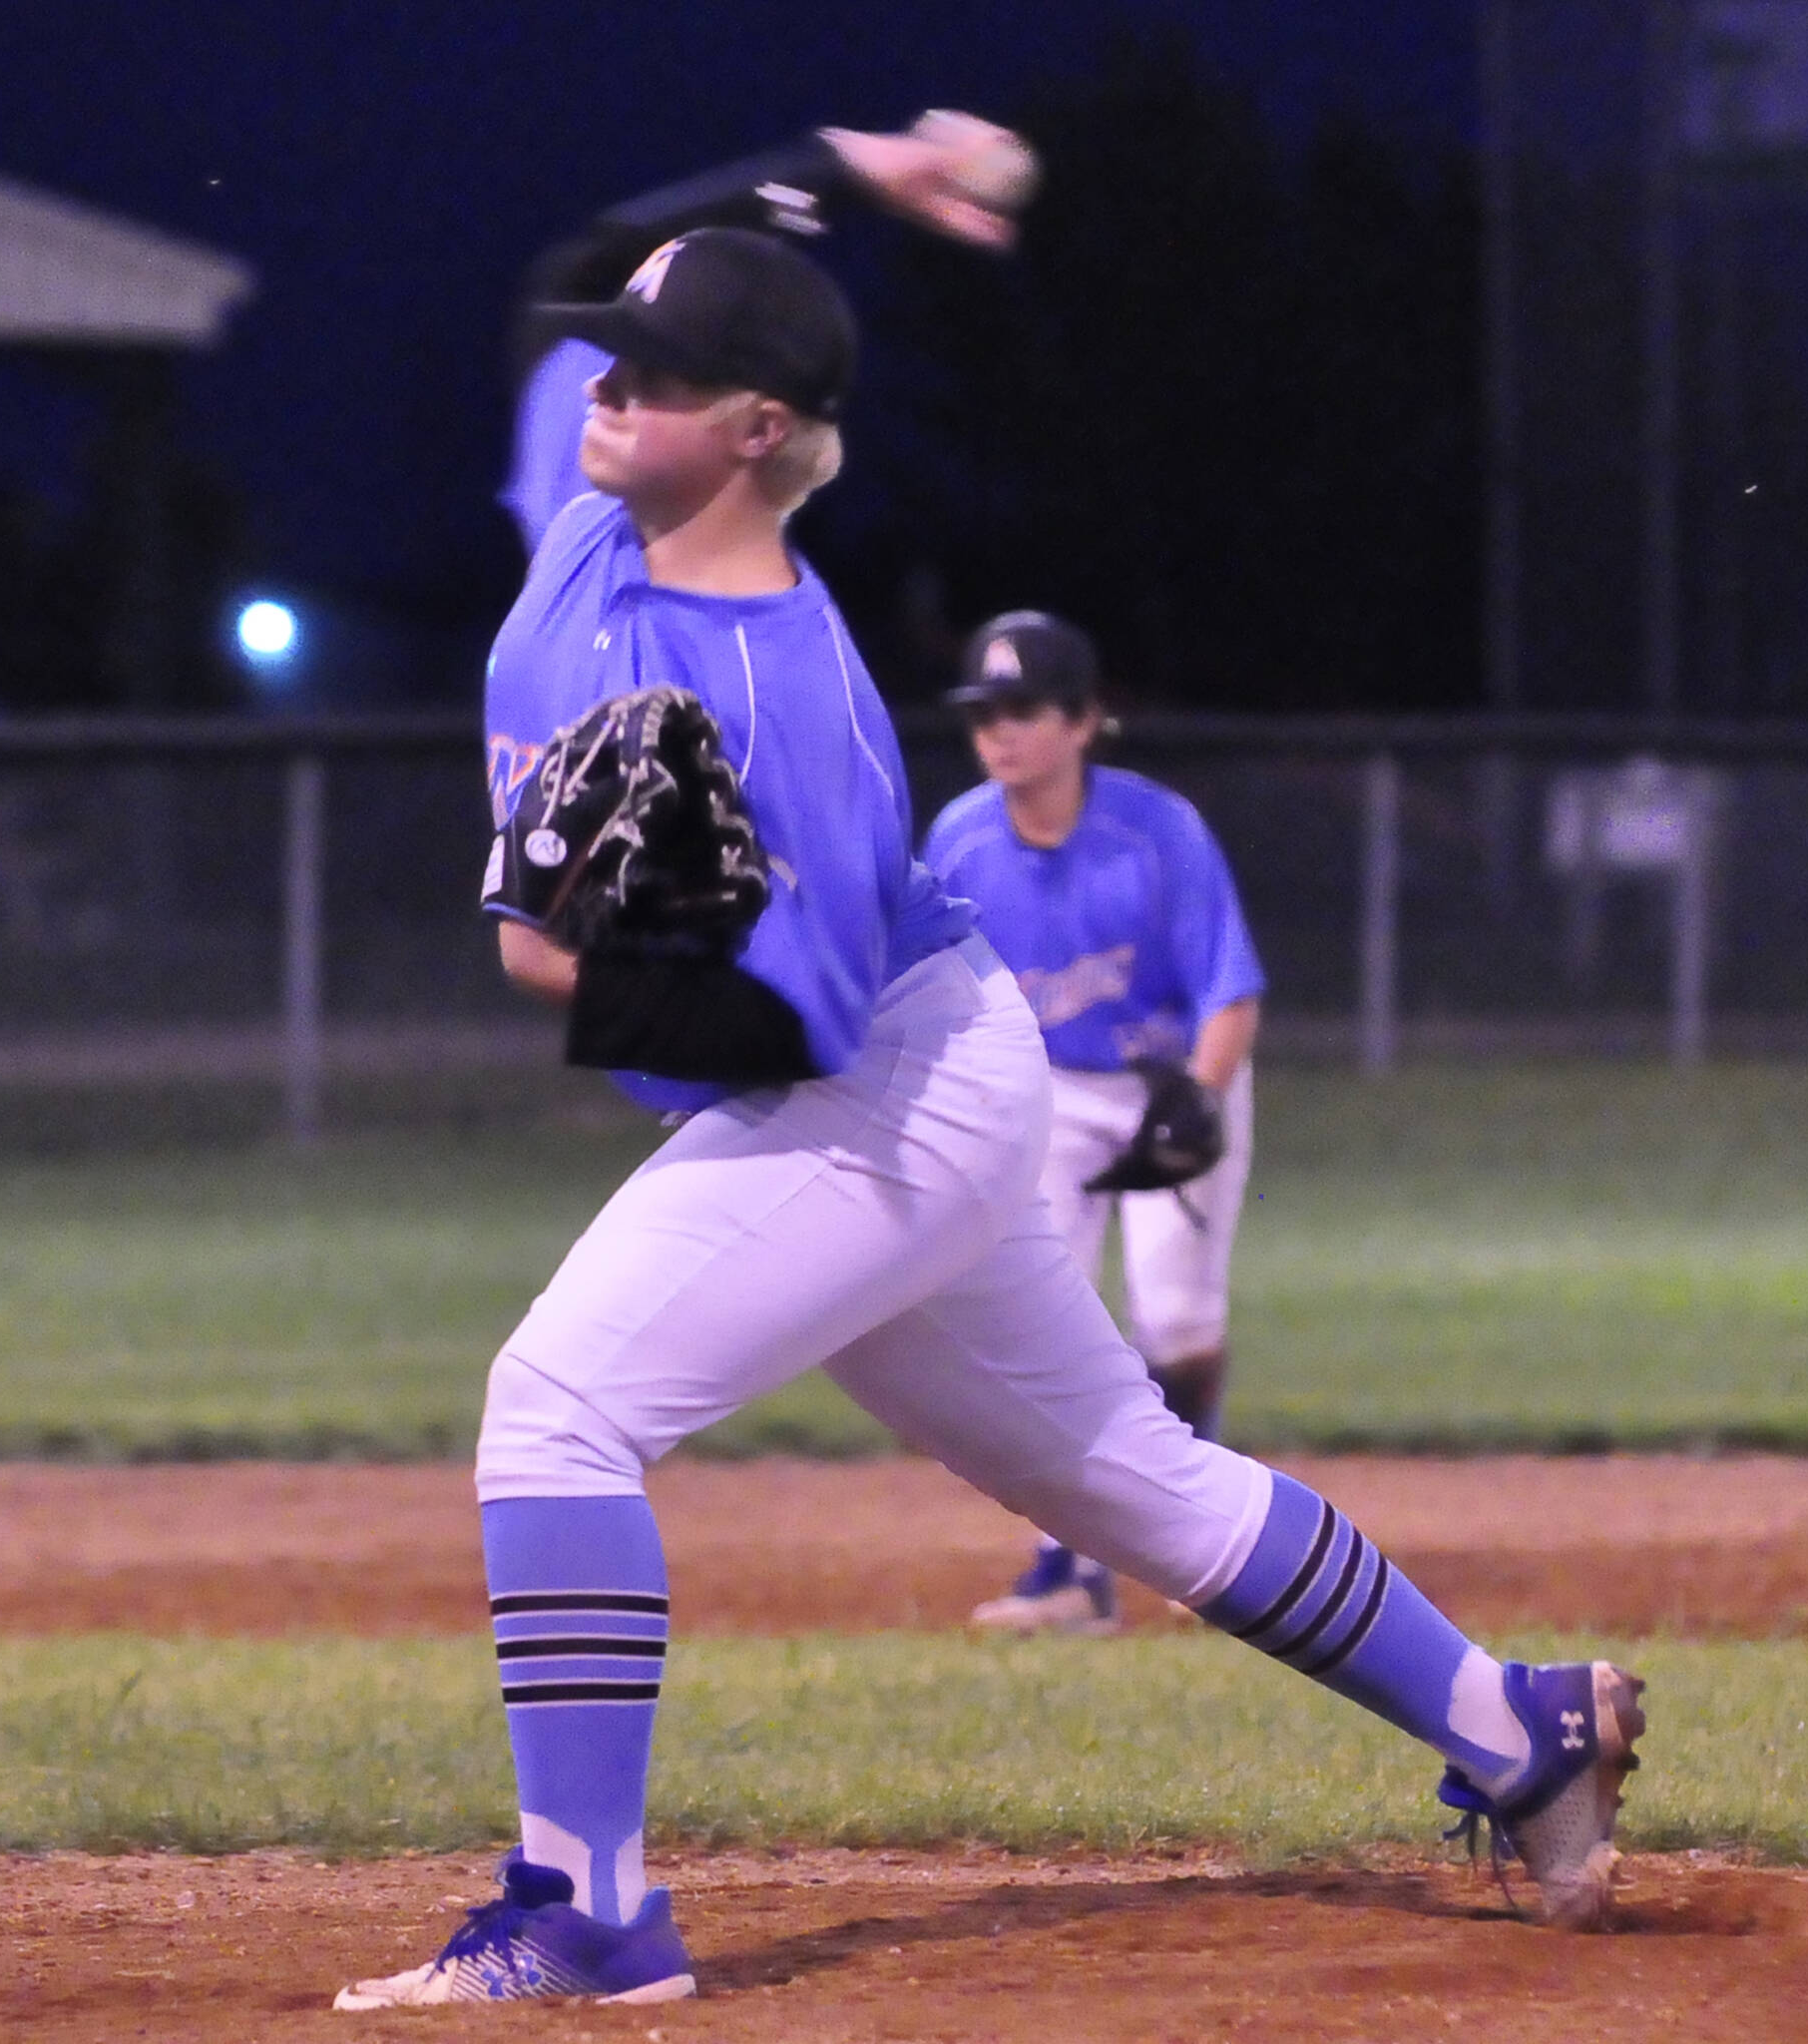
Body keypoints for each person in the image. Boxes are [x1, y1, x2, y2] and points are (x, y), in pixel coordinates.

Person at [332, 121, 1644, 2013]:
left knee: (556, 1412)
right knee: (1130, 1480)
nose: (605, 389)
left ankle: (587, 1913)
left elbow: (778, 1025)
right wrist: (840, 166)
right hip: (912, 1071)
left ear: (759, 430)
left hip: (877, 1084)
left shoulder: (783, 704)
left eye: (655, 374)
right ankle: (1520, 1729)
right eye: (612, 361)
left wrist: (554, 950)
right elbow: (585, 258)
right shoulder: (590, 508)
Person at [923, 612, 1261, 1636]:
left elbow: (1231, 990)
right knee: (1048, 1334)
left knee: (1177, 1320)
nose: (998, 731)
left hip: (1171, 1080)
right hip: (1043, 1097)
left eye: (1023, 708)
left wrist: (1199, 1096)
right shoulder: (960, 840)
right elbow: (927, 995)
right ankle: (1070, 1573)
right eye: (983, 712)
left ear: (1082, 721)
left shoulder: (1159, 831)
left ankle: (1199, 1539)